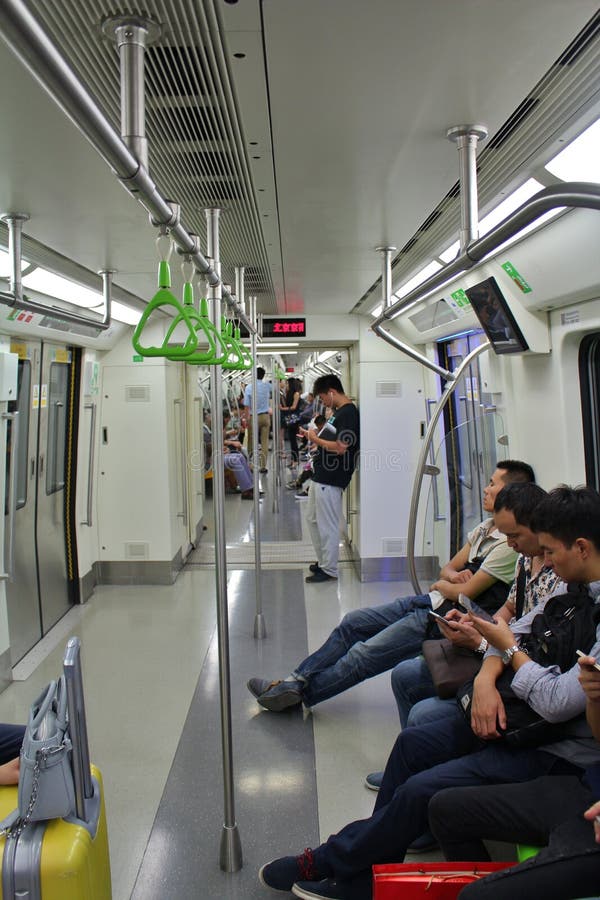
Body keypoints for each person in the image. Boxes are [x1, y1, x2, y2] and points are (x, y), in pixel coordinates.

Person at [257, 485, 600, 900]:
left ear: (580, 548)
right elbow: (511, 630)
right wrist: (486, 677)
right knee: (413, 742)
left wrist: (504, 650)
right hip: (519, 711)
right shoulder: (571, 589)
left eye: (550, 552)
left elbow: (556, 698)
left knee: (422, 782)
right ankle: (366, 865)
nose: (544, 560)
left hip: (550, 745)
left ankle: (335, 858)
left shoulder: (576, 595)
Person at [247, 461, 532, 713]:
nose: (485, 488)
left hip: (444, 618)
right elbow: (448, 568)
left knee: (363, 656)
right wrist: (447, 581)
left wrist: (446, 583)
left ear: (509, 493)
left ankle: (293, 693)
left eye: (493, 484)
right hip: (430, 601)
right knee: (353, 623)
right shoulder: (485, 527)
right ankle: (295, 681)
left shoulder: (508, 546)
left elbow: (464, 593)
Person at [429, 633, 600, 899]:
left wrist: (505, 647)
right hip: (588, 789)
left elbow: (555, 703)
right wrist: (594, 698)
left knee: (474, 896)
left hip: (584, 804)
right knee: (444, 809)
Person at [389, 481, 560, 731]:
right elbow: (511, 609)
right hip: (500, 649)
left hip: (516, 663)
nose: (510, 543)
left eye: (514, 536)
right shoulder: (524, 560)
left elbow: (527, 644)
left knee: (422, 715)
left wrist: (480, 644)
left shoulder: (557, 576)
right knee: (403, 674)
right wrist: (476, 624)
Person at [297, 375, 359, 583]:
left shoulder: (349, 414)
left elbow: (341, 447)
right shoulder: (338, 413)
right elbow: (329, 439)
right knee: (313, 519)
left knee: (327, 524)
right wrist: (312, 437)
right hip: (322, 473)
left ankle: (330, 569)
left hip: (333, 476)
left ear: (332, 392)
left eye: (323, 398)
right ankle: (324, 561)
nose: (323, 403)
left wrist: (316, 439)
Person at [243, 367, 272, 473]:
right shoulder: (267, 386)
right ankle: (263, 466)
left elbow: (246, 405)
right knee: (264, 441)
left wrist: (246, 419)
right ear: (263, 375)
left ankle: (250, 463)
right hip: (265, 416)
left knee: (252, 440)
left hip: (253, 416)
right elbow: (275, 390)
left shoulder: (249, 387)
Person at [281, 377, 303, 467]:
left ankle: (296, 460)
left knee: (293, 440)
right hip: (290, 416)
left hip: (294, 417)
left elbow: (294, 407)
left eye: (287, 384)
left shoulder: (296, 394)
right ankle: (293, 460)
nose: (286, 385)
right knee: (291, 439)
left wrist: (283, 408)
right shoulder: (289, 394)